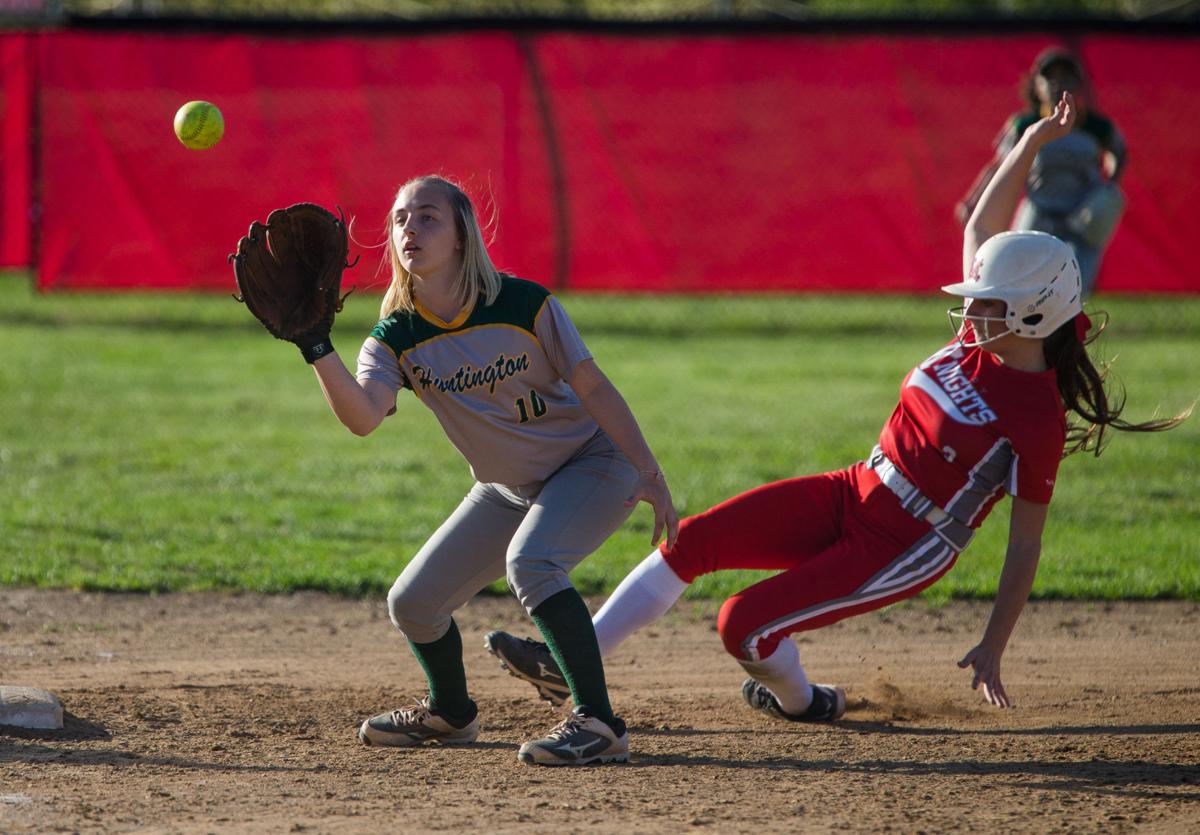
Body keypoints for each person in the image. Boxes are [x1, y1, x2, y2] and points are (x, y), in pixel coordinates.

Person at [486, 93, 1187, 722]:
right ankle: (568, 663)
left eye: (989, 303)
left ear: (1035, 316)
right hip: (855, 487)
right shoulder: (982, 340)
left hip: (906, 543)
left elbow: (1024, 545)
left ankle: (804, 700)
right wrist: (1031, 141)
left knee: (744, 627)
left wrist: (993, 642)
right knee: (690, 540)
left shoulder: (1035, 414)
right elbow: (982, 222)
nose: (970, 309)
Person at [304, 174, 678, 765]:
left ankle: (601, 724)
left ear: (461, 235)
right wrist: (315, 346)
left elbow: (593, 385)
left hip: (592, 461)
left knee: (532, 562)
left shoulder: (523, 303)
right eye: (400, 219)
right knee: (413, 604)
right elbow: (364, 418)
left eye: (428, 217)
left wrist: (648, 471)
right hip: (507, 488)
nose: (409, 230)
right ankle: (451, 714)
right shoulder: (396, 336)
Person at [956, 48, 1127, 298]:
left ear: (1079, 85)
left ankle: (1066, 336)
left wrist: (1108, 187)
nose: (1058, 84)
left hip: (1081, 216)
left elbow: (1119, 154)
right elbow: (1001, 166)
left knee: (1075, 291)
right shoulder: (1025, 125)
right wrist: (974, 200)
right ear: (1036, 85)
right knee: (1016, 279)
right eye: (1050, 78)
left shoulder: (1096, 127)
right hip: (1039, 211)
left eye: (1067, 78)